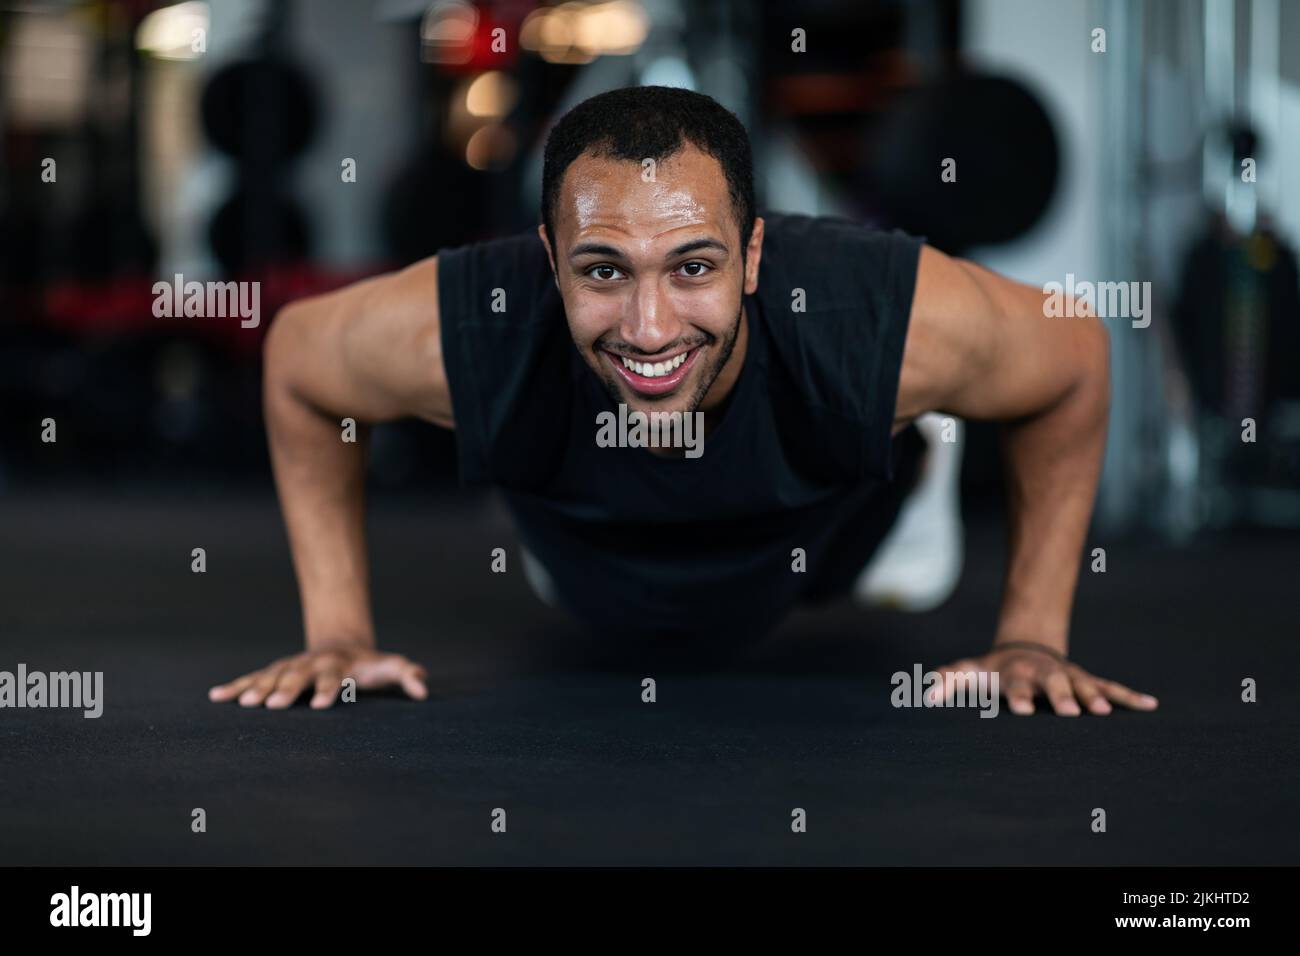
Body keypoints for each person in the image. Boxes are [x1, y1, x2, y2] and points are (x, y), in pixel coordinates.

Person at [210, 86, 1158, 718]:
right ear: (548, 260)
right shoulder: (472, 326)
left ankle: (916, 455)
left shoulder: (872, 316)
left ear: (754, 255)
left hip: (847, 535)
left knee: (886, 547)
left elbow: (1075, 351)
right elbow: (297, 359)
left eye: (694, 267)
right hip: (591, 557)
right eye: (602, 270)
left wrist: (1032, 637)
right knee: (583, 537)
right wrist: (339, 635)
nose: (651, 326)